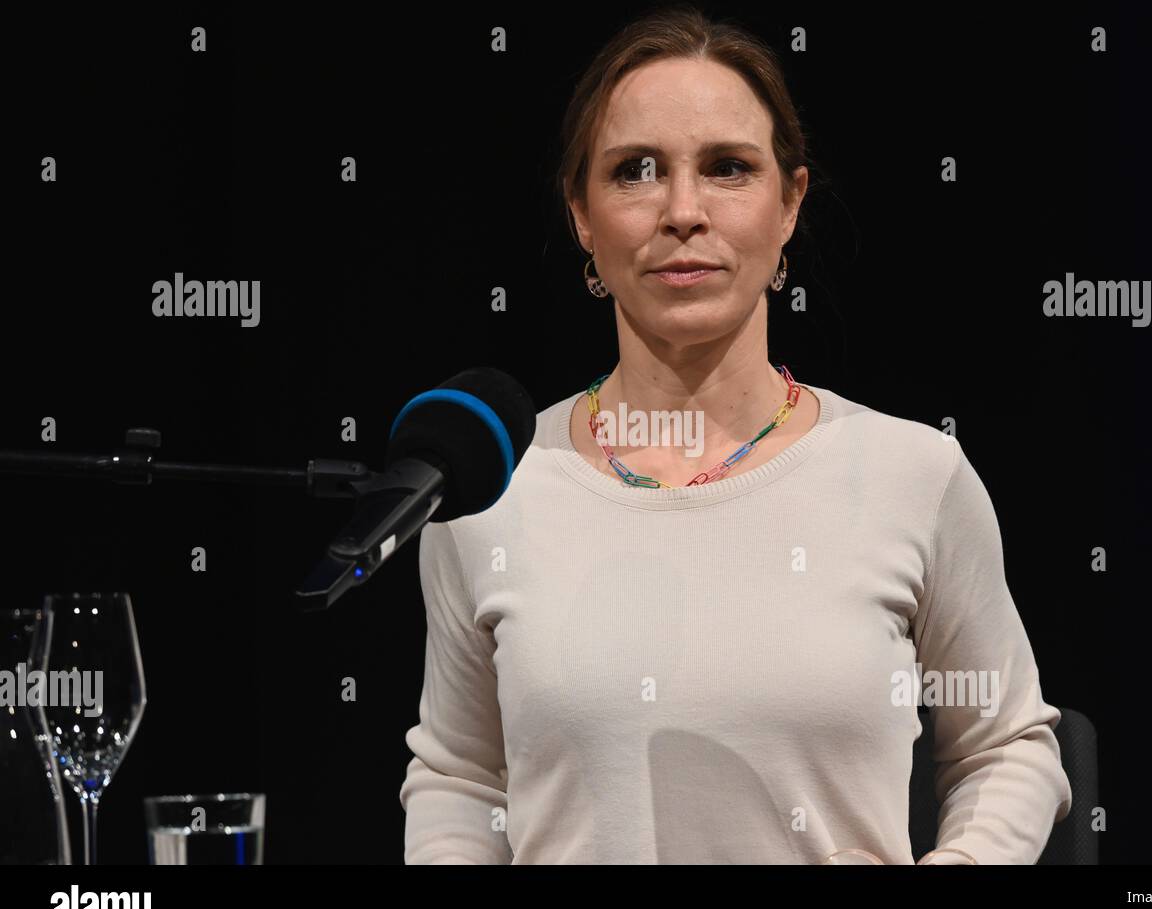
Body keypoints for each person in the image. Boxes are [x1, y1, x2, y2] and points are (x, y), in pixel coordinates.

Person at [399, 5, 1071, 864]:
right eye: (636, 171)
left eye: (727, 168)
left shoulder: (913, 474)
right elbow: (460, 778)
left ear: (789, 205)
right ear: (581, 215)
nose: (683, 210)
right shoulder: (491, 488)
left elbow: (1008, 745)